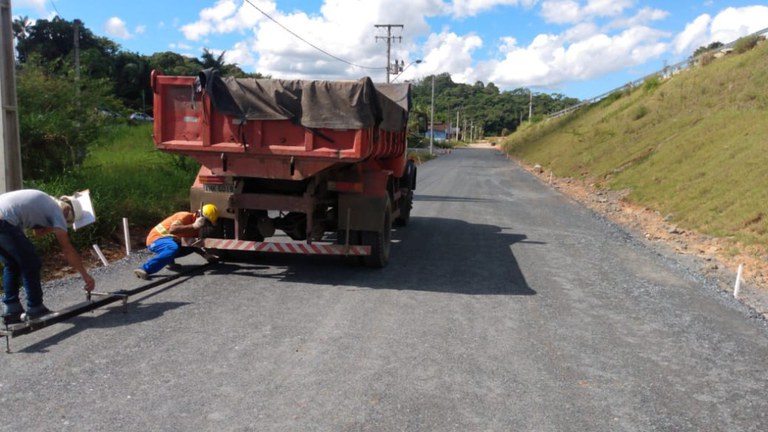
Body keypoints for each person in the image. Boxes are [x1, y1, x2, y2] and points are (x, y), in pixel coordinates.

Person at [0, 189, 96, 324]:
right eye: (67, 221)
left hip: (3, 218)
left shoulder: (47, 202)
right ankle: (35, 308)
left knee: (12, 264)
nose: (64, 223)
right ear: (67, 210)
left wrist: (53, 226)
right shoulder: (57, 212)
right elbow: (67, 249)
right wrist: (85, 275)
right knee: (31, 263)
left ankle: (11, 309)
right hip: (4, 221)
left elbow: (37, 233)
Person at [134, 204, 219, 280]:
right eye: (206, 222)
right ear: (199, 215)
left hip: (170, 240)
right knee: (173, 247)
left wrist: (206, 256)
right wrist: (193, 226)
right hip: (156, 239)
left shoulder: (197, 229)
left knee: (190, 246)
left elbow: (192, 244)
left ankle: (169, 260)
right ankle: (144, 269)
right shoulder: (184, 216)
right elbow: (172, 230)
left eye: (208, 224)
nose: (206, 225)